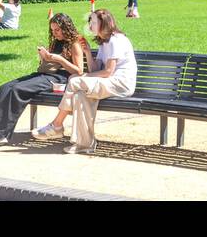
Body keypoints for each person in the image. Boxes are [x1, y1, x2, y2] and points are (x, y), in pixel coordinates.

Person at [0, 12, 91, 146]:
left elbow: (79, 71)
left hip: (61, 79)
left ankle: (0, 133)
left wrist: (60, 59)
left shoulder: (75, 42)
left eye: (57, 30)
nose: (55, 33)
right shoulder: (57, 41)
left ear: (66, 27)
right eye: (53, 30)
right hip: (46, 75)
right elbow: (50, 63)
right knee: (5, 88)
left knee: (17, 89)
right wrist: (45, 57)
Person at [32, 9, 136, 154]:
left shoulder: (116, 40)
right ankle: (85, 144)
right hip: (108, 83)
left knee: (74, 81)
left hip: (120, 84)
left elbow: (107, 72)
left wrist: (81, 78)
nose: (90, 25)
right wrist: (87, 52)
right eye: (90, 21)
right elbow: (95, 69)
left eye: (93, 22)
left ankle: (57, 125)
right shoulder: (103, 43)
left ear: (103, 23)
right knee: (79, 96)